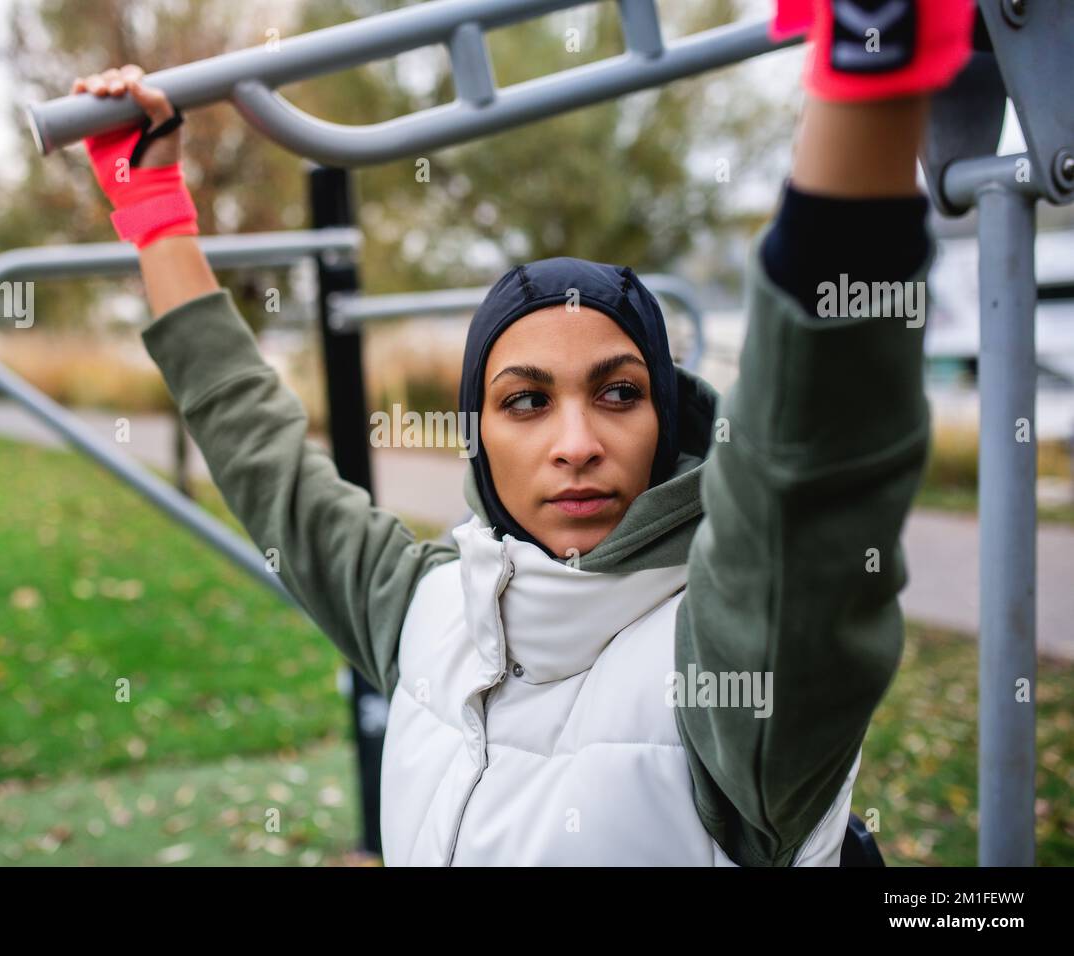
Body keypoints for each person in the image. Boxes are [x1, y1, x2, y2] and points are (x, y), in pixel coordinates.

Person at [72, 0, 974, 865]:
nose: (576, 442)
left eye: (618, 393)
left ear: (666, 420)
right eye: (526, 401)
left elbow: (811, 479)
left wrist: (870, 64)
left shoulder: (725, 671)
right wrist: (155, 212)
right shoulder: (425, 611)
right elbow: (260, 451)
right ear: (478, 434)